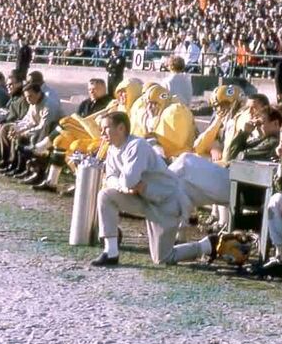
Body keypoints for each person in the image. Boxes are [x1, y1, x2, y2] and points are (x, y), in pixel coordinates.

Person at [90, 111, 213, 267]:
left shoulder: (137, 145)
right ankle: (111, 252)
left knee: (163, 258)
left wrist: (126, 185)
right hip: (142, 198)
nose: (102, 133)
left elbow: (129, 180)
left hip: (165, 202)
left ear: (121, 128)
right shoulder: (112, 149)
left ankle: (206, 245)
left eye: (106, 128)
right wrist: (124, 187)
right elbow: (110, 178)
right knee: (105, 195)